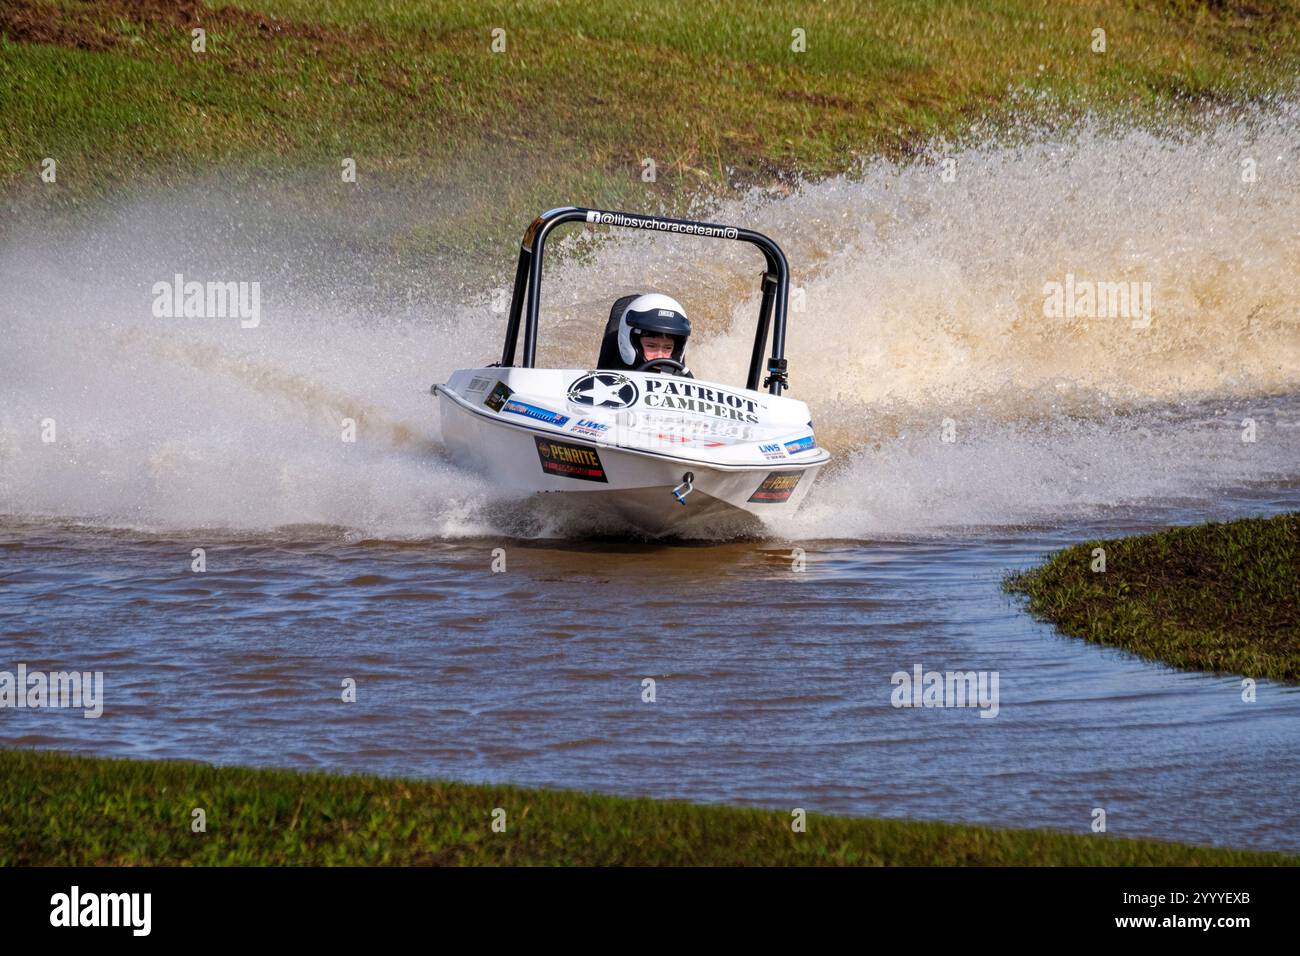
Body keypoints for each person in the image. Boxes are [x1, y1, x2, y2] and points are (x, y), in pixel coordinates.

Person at [601, 292, 693, 376]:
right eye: (651, 346)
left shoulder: (683, 384)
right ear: (633, 344)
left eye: (668, 348)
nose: (659, 356)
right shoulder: (608, 380)